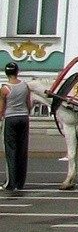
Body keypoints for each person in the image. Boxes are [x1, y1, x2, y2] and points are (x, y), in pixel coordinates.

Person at [2, 63, 34, 194]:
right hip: (23, 118)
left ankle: (11, 183)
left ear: (6, 73)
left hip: (10, 118)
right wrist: (26, 112)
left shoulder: (5, 88)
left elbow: (1, 107)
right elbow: (29, 103)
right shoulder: (25, 86)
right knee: (22, 149)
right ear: (17, 72)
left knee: (11, 151)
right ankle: (20, 182)